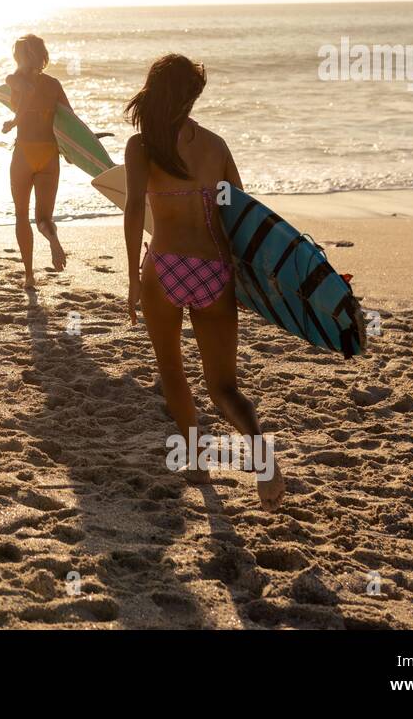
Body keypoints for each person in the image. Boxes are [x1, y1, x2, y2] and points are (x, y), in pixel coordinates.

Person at [122, 54, 285, 509]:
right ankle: (261, 459)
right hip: (214, 269)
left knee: (172, 370)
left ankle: (194, 454)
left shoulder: (141, 147)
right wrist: (256, 278)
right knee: (224, 386)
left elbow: (135, 210)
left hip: (165, 268)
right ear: (191, 96)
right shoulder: (215, 145)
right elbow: (241, 214)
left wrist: (133, 278)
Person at [1, 34, 70, 288]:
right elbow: (69, 121)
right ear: (42, 55)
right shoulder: (53, 84)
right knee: (43, 217)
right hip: (50, 154)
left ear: (19, 57)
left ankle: (29, 275)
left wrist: (14, 122)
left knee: (21, 216)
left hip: (25, 152)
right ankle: (52, 238)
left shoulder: (14, 79)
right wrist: (75, 150)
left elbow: (27, 95)